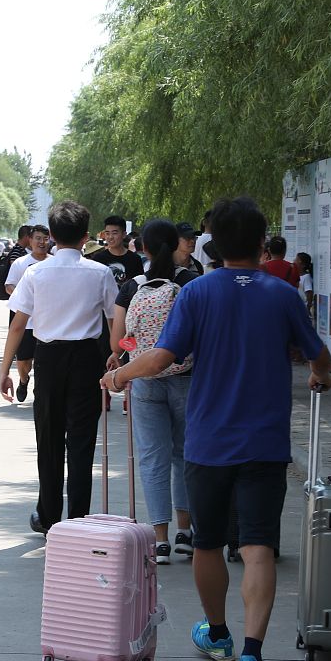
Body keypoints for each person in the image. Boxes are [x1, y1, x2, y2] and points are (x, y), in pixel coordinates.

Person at [101, 196, 331, 661]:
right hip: (266, 442)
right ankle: (254, 655)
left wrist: (118, 376)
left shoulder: (198, 292)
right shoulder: (283, 294)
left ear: (214, 245)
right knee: (257, 545)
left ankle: (219, 635)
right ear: (262, 242)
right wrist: (320, 376)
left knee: (206, 542)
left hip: (208, 442)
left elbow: (162, 357)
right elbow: (318, 354)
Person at [0, 201, 118, 534]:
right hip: (87, 359)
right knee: (82, 442)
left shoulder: (36, 272)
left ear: (51, 234)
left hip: (49, 359)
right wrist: (116, 356)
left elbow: (18, 324)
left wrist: (5, 369)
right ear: (86, 237)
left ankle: (49, 515)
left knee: (49, 439)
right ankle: (78, 519)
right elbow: (114, 320)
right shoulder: (100, 272)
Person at [108, 219, 199, 564]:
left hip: (144, 379)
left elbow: (118, 340)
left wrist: (131, 354)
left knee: (152, 457)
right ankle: (185, 533)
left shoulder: (132, 286)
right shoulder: (191, 283)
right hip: (186, 376)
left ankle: (160, 540)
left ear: (142, 247)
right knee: (184, 454)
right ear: (176, 244)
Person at [4, 225, 51, 402]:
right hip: (25, 321)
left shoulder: (54, 262)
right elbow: (9, 285)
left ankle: (41, 391)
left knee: (44, 360)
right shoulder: (20, 263)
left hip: (47, 321)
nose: (42, 242)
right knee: (24, 361)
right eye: (38, 238)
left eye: (45, 239)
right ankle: (23, 381)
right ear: (30, 240)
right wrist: (23, 297)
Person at [87, 215, 144, 286]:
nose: (110, 237)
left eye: (114, 233)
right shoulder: (98, 259)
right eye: (107, 233)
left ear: (124, 234)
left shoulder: (135, 259)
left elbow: (139, 285)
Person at [295, 252, 315, 318]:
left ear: (303, 265)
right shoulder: (296, 275)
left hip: (303, 309)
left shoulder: (306, 277)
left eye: (296, 260)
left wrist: (308, 308)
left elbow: (309, 293)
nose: (294, 261)